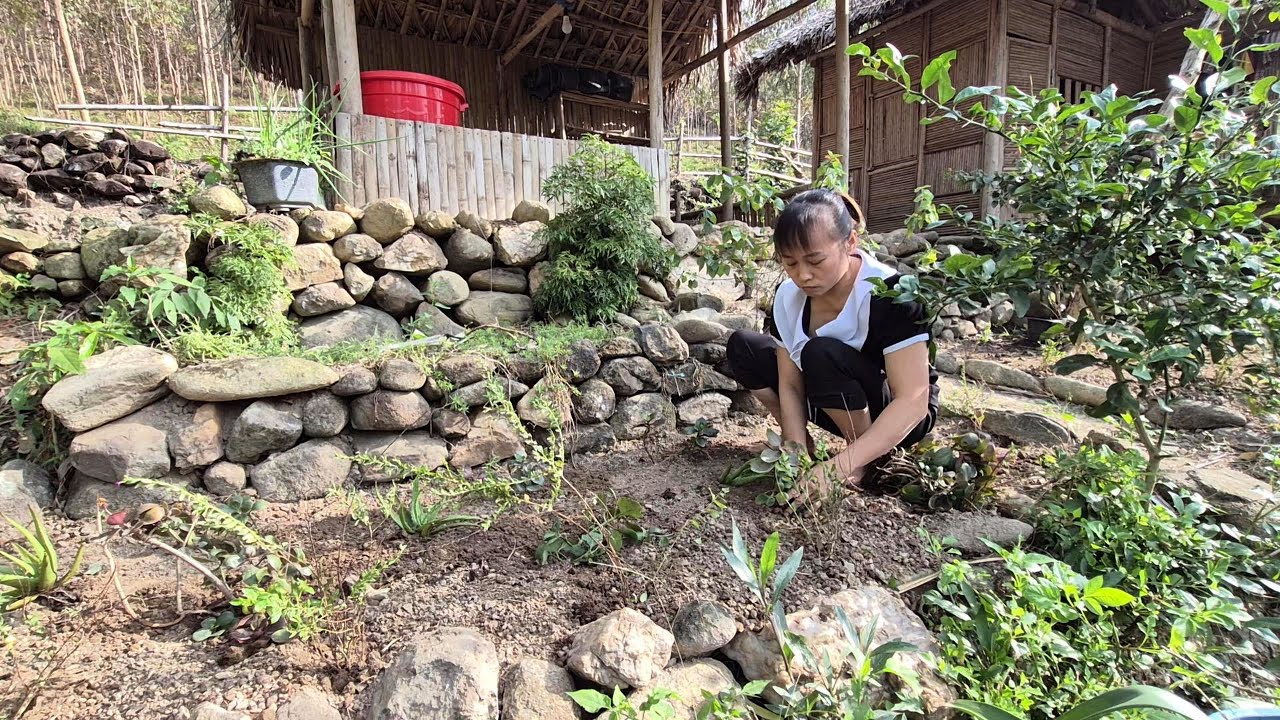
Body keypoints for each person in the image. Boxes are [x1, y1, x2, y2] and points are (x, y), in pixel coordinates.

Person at [726, 189, 939, 504]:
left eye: (815, 260)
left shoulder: (891, 295)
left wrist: (839, 467)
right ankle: (818, 451)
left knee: (820, 351)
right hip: (832, 396)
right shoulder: (787, 297)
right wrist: (794, 449)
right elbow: (790, 383)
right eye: (791, 263)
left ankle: (866, 460)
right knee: (744, 346)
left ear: (850, 243)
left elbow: (913, 400)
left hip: (896, 414)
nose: (803, 275)